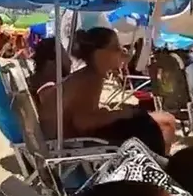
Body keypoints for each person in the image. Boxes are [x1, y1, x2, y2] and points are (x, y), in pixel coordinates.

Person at [37, 27, 177, 155]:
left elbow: (82, 115)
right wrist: (119, 114)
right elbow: (82, 122)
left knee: (156, 120)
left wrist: (111, 112)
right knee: (162, 124)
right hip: (72, 145)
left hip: (66, 141)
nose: (122, 52)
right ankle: (157, 164)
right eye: (115, 47)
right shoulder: (91, 79)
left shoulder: (88, 75)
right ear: (100, 53)